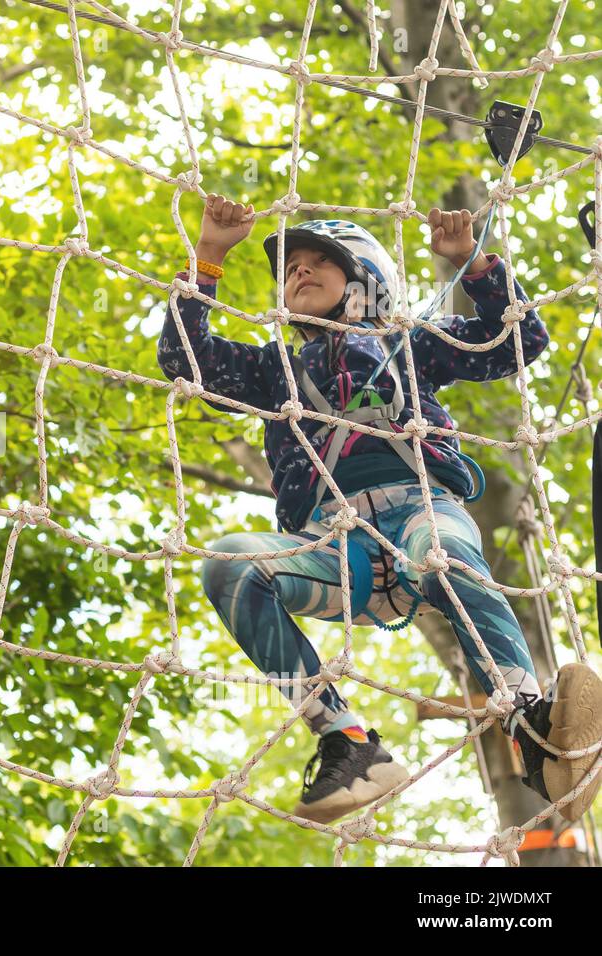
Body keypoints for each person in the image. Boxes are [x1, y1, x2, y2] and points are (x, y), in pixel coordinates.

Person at [156, 192, 602, 825]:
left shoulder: (410, 344)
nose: (298, 272)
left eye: (317, 262)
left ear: (364, 279)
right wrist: (208, 258)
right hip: (339, 551)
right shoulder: (272, 370)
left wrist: (473, 268)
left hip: (420, 513)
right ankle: (349, 741)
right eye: (289, 269)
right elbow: (186, 361)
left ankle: (531, 725)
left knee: (442, 553)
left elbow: (518, 341)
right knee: (229, 564)